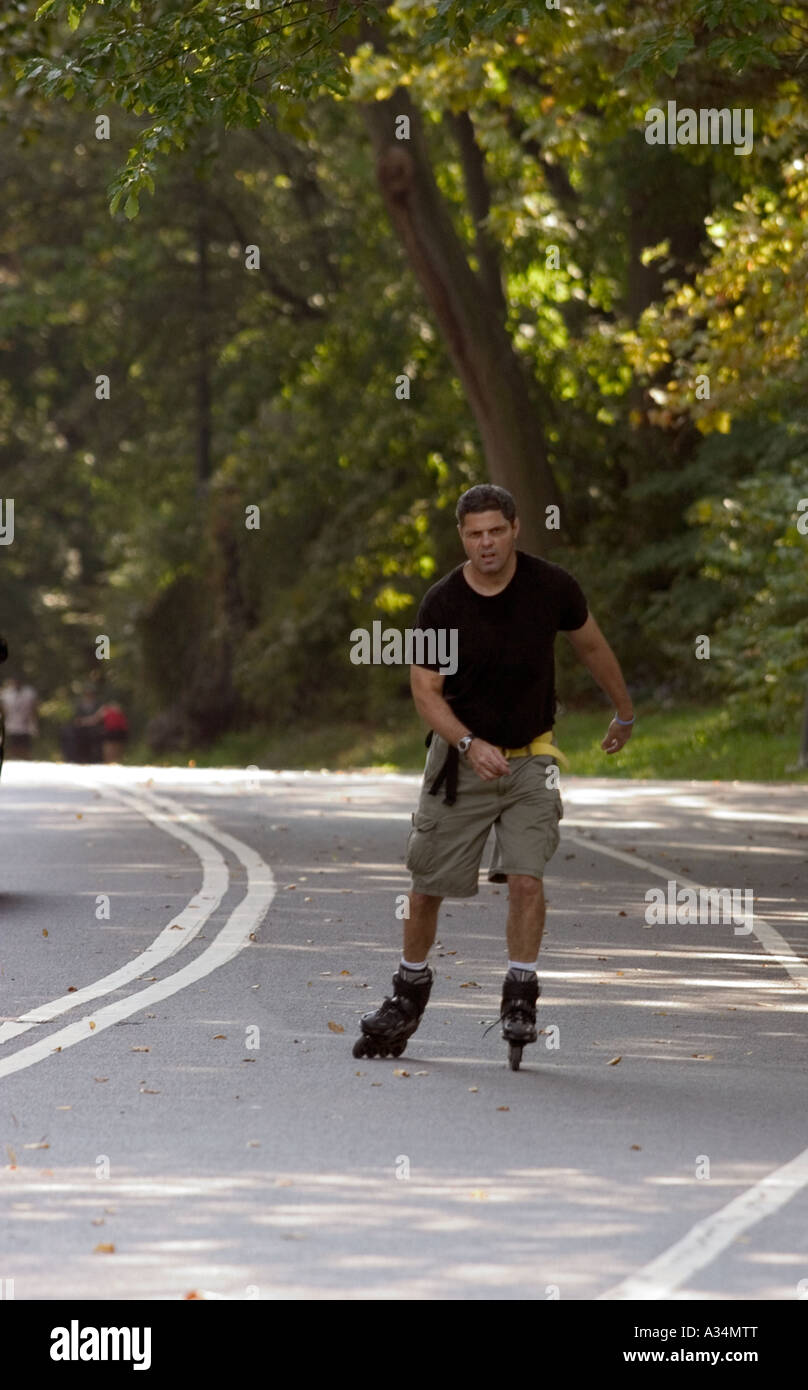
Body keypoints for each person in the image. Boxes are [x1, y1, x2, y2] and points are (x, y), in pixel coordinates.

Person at [353, 483, 635, 1065]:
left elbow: (591, 646)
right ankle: (407, 994)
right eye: (475, 534)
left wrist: (624, 712)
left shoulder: (551, 587)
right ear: (463, 537)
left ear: (515, 529)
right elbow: (425, 691)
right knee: (427, 884)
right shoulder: (442, 603)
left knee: (527, 877)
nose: (486, 543)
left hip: (533, 758)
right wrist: (467, 741)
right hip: (460, 763)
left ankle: (521, 996)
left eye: (496, 531)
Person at [0, 675, 39, 759]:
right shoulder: (6, 694)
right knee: (13, 745)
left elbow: (34, 709)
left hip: (26, 724)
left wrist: (33, 723)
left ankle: (25, 758)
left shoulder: (29, 693)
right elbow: (3, 710)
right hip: (11, 724)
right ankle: (14, 758)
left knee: (25, 745)